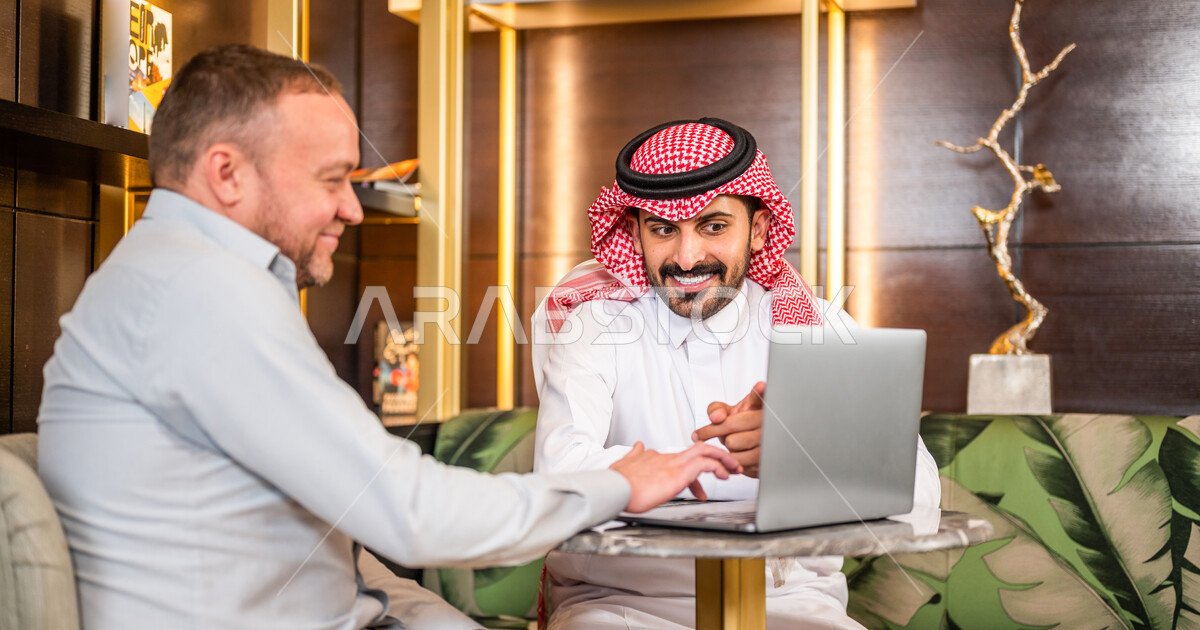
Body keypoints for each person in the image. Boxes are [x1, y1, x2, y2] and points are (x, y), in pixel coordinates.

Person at [35, 46, 741, 630]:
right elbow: (411, 513)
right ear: (226, 174)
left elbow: (334, 543)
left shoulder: (179, 277)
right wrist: (619, 483)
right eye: (333, 179)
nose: (353, 207)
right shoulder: (199, 293)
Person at [531, 118, 942, 629]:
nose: (686, 257)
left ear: (760, 228)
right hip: (622, 608)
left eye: (714, 226)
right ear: (634, 234)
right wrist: (688, 463)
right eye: (663, 229)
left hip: (792, 611)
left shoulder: (818, 325)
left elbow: (921, 503)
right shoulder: (596, 326)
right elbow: (557, 478)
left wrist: (799, 453)